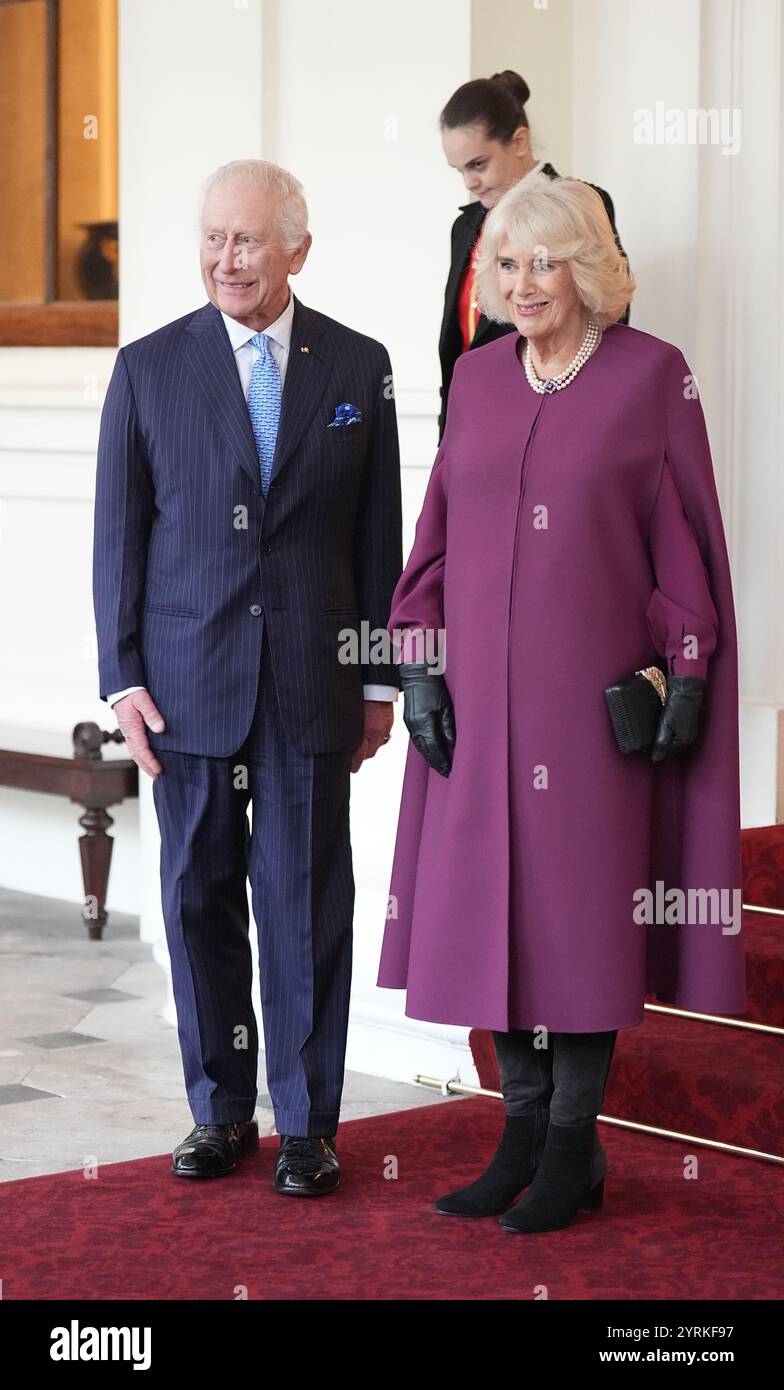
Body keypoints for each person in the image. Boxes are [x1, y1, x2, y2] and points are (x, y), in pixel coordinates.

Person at [377, 176, 745, 1234]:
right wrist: (418, 659)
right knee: (493, 914)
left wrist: (687, 662)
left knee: (576, 924)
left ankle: (573, 1147)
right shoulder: (482, 378)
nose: (522, 283)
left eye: (543, 262)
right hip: (479, 710)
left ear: (587, 267)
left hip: (587, 715)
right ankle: (521, 1136)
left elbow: (685, 538)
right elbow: (436, 534)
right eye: (504, 265)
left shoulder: (650, 376)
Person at [93, 159, 402, 1196]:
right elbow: (118, 540)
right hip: (185, 685)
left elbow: (376, 538)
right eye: (214, 238)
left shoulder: (360, 369)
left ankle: (309, 1125)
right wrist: (122, 677)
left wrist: (379, 681)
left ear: (297, 250)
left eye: (249, 241)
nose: (226, 259)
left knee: (306, 900)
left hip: (314, 680)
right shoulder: (147, 369)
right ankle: (221, 1111)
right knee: (196, 899)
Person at [438, 70, 628, 439]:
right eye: (459, 170)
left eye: (478, 164)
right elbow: (459, 346)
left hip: (556, 421)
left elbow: (608, 317)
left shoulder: (582, 204)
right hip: (472, 425)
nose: (469, 183)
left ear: (520, 141)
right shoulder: (465, 227)